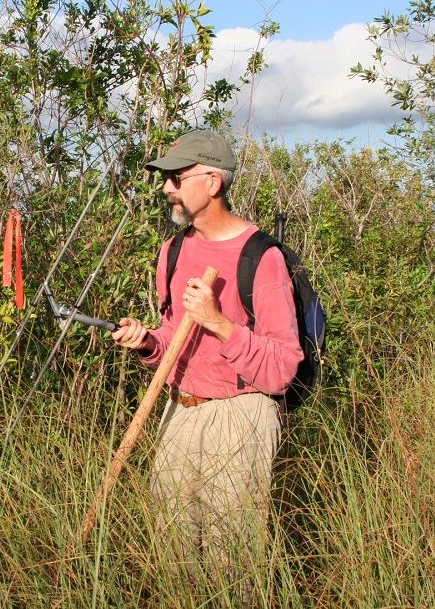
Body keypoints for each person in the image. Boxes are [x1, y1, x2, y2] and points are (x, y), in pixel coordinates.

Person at [111, 129, 303, 574]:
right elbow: (172, 338)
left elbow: (282, 368)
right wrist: (147, 342)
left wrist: (218, 322)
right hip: (178, 410)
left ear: (212, 182)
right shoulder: (173, 251)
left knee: (230, 559)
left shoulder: (261, 257)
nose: (167, 188)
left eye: (177, 178)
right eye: (167, 179)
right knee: (173, 551)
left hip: (241, 416)